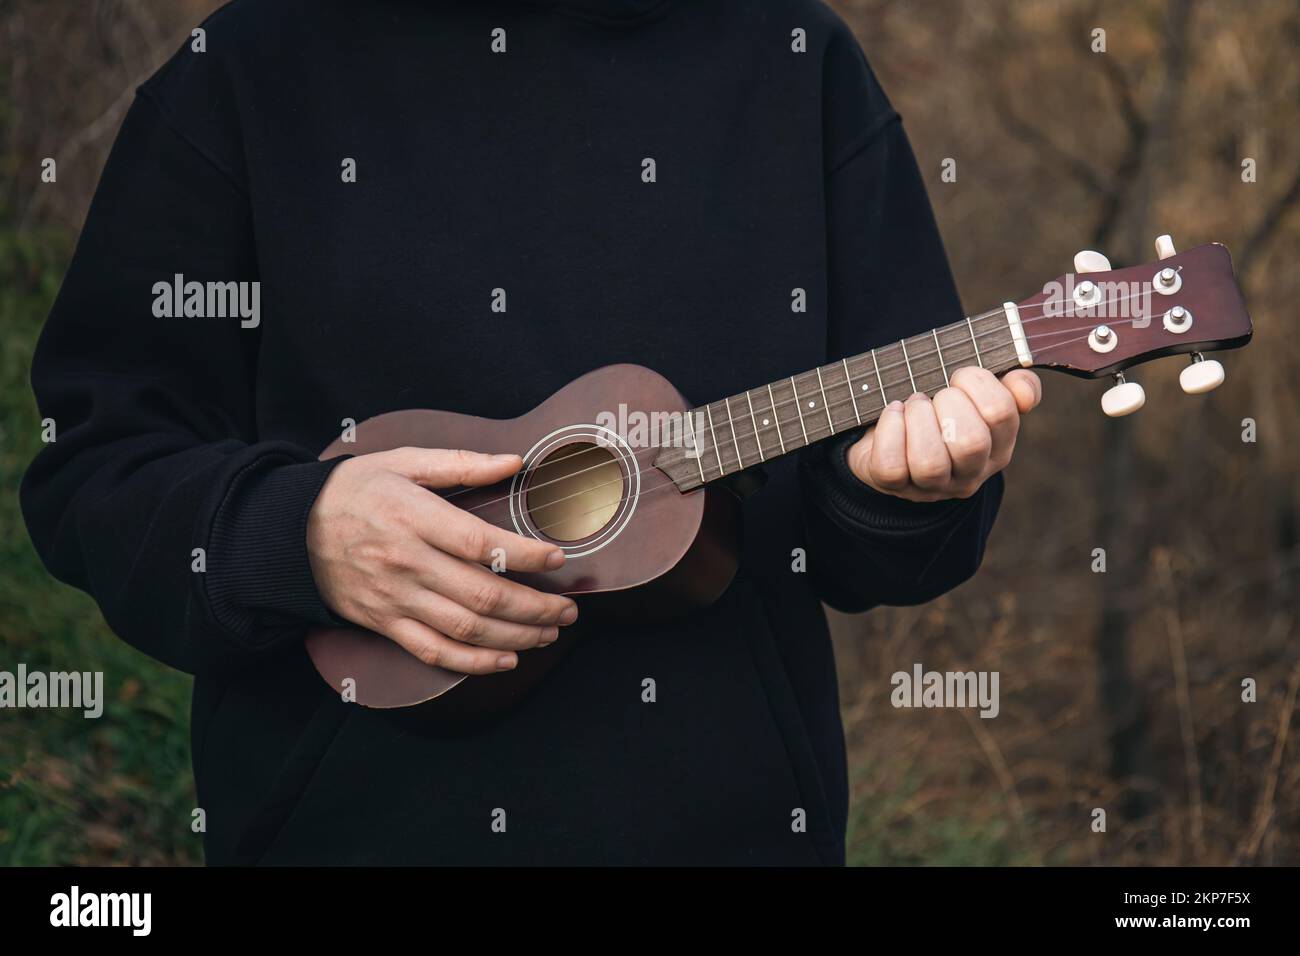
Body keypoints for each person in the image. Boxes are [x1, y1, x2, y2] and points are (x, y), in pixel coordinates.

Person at [21, 0, 1039, 865]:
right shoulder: (251, 68)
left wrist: (902, 497)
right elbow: (97, 468)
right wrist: (296, 535)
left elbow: (882, 539)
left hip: (727, 830)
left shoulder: (793, 61)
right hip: (346, 832)